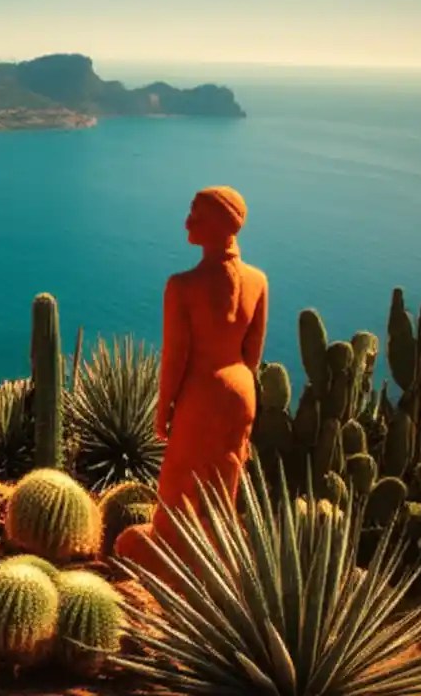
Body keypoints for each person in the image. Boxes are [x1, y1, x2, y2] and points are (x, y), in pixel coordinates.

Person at [113, 185, 268, 584]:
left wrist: (164, 411)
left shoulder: (183, 286)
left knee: (180, 478)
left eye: (195, 214)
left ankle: (169, 556)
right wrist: (244, 400)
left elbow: (176, 358)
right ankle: (218, 558)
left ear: (217, 224)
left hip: (203, 392)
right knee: (225, 479)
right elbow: (253, 353)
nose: (187, 222)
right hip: (241, 389)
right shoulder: (258, 280)